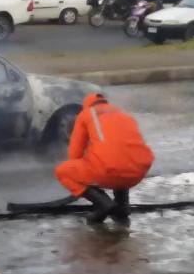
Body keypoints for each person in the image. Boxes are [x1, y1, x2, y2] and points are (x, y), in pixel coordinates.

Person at [55, 93, 154, 226]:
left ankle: (103, 204)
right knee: (120, 159)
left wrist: (88, 155)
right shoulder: (123, 114)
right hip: (137, 172)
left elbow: (74, 155)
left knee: (63, 171)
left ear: (86, 106)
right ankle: (122, 208)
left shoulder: (86, 115)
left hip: (108, 171)